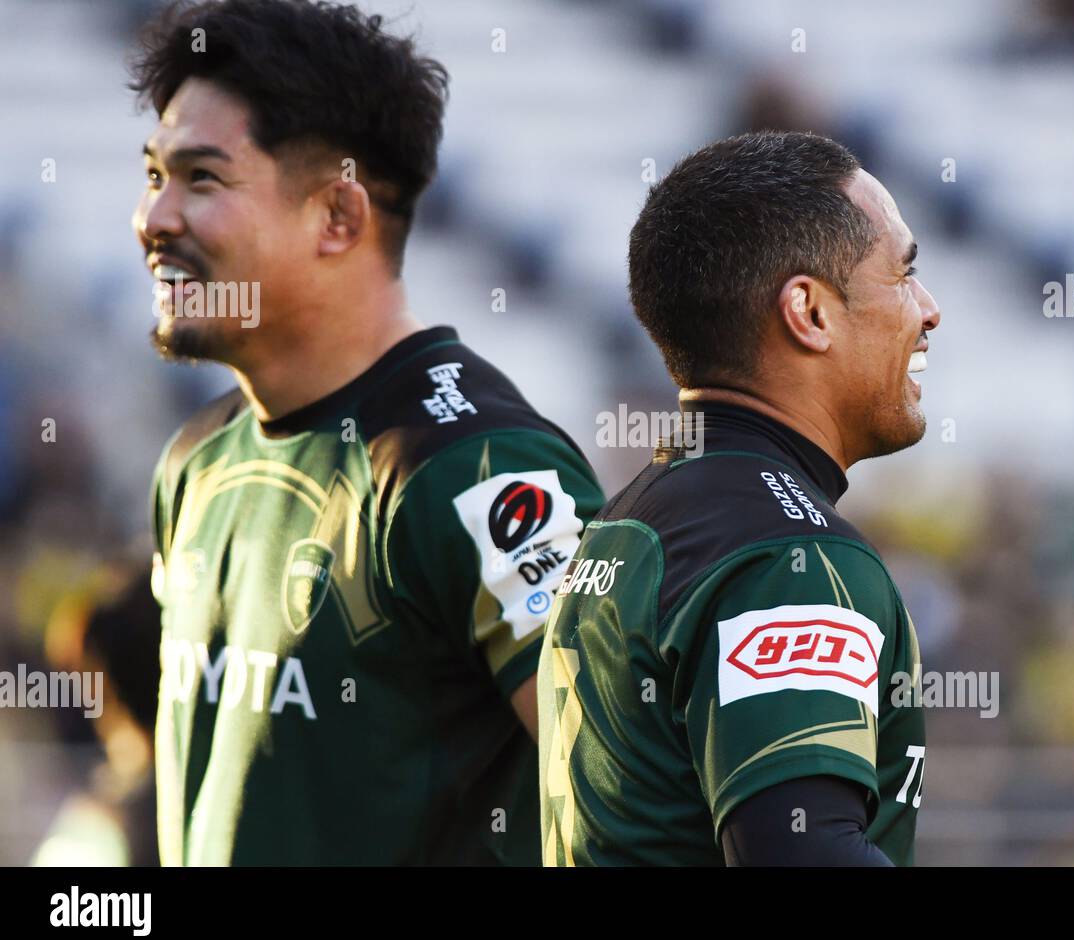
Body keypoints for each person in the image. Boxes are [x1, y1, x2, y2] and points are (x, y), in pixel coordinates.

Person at [131, 0, 603, 865]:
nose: (154, 218)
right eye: (153, 174)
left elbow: (634, 800)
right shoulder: (196, 458)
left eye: (201, 178)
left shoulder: (476, 471)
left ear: (339, 217)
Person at [538, 131, 940, 865]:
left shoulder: (633, 515)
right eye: (904, 275)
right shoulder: (789, 556)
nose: (929, 310)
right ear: (810, 313)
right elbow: (799, 851)